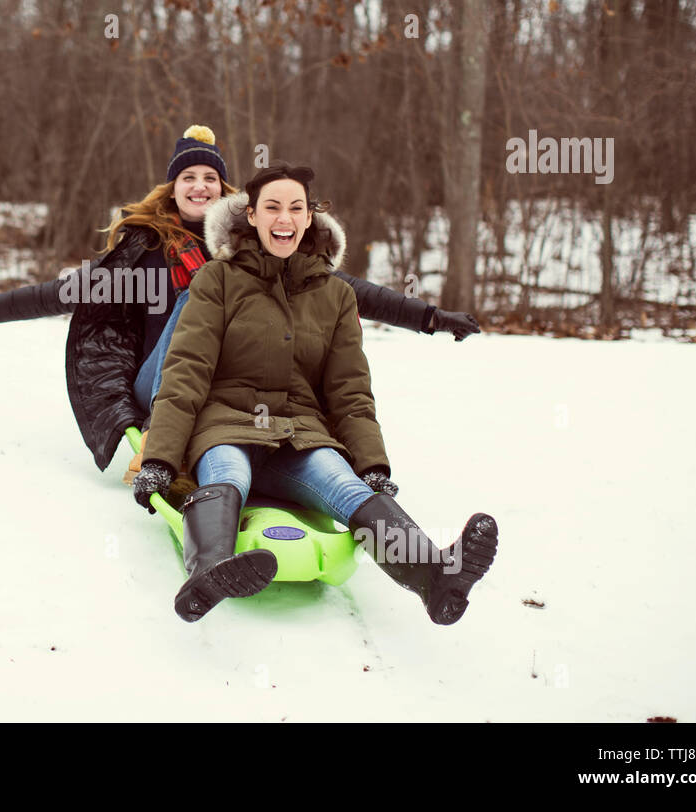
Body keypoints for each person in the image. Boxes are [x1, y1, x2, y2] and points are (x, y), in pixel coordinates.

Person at [0, 125, 480, 477]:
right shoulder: (144, 251)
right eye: (188, 178)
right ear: (173, 187)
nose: (199, 187)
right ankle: (170, 441)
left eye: (209, 178)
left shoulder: (250, 244)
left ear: (224, 190)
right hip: (163, 384)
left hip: (230, 385)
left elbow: (348, 290)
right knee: (198, 299)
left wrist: (429, 317)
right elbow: (63, 292)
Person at [131, 163, 498, 625]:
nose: (283, 218)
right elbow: (186, 372)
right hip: (225, 422)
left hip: (300, 435)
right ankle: (209, 571)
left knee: (345, 486)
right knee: (227, 473)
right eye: (272, 207)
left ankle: (435, 577)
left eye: (295, 208)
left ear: (309, 218)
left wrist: (372, 466)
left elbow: (350, 391)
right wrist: (159, 461)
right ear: (252, 216)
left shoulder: (335, 295)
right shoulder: (216, 281)